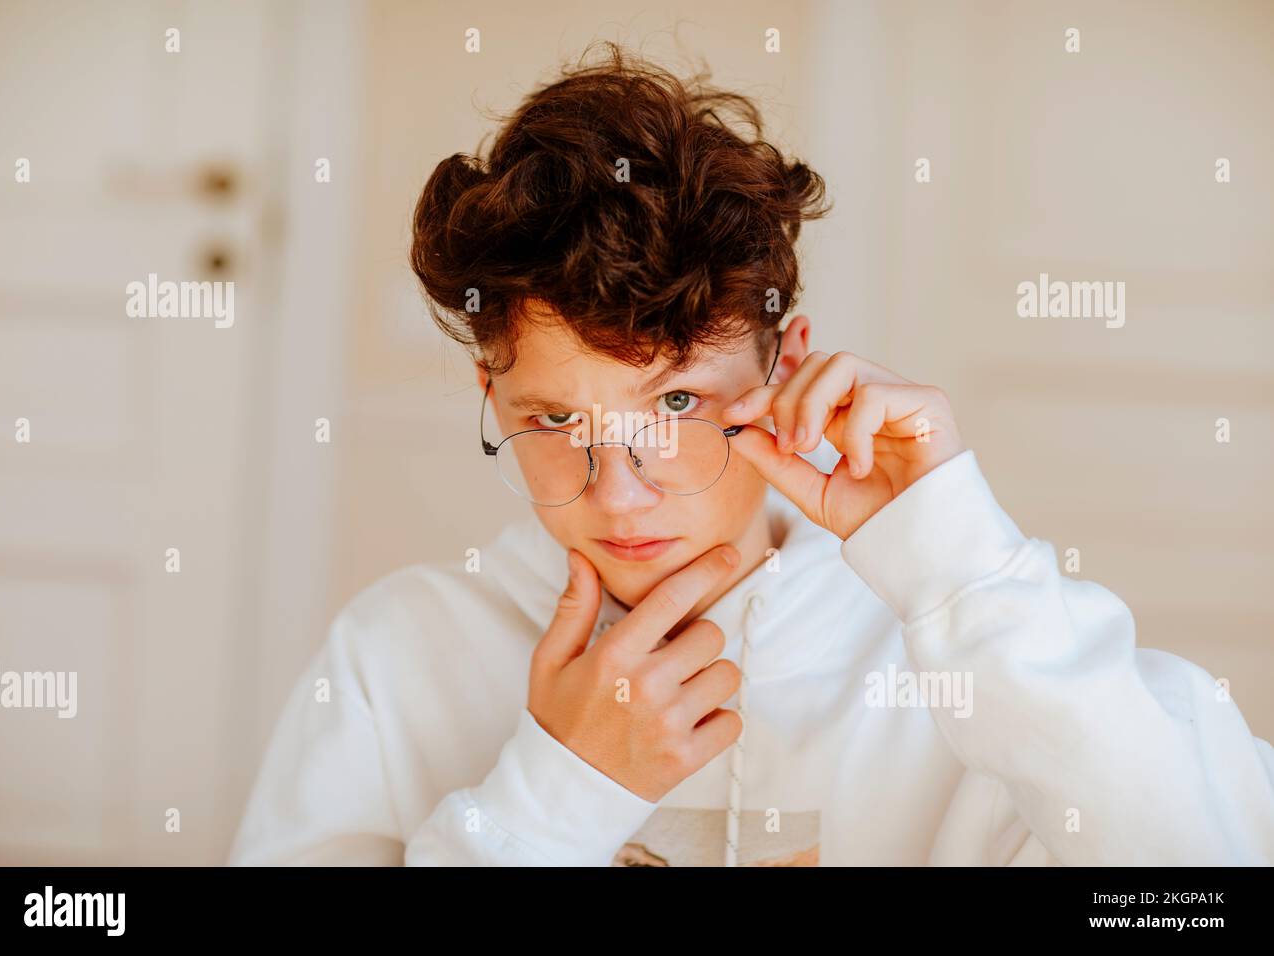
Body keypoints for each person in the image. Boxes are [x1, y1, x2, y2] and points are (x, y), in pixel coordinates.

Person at [229, 44, 1274, 866]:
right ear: (488, 392)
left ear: (788, 369)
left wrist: (961, 564)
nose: (619, 492)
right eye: (553, 422)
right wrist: (557, 792)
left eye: (676, 401)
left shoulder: (963, 656)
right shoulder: (396, 655)